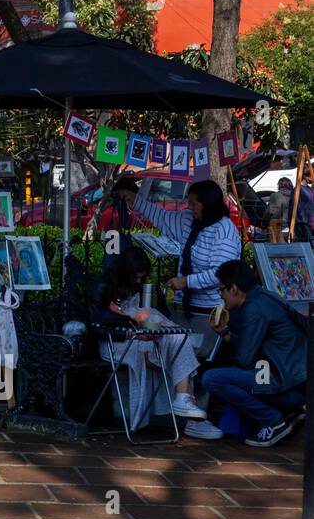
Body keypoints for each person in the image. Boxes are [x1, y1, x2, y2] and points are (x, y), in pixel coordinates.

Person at [190, 260, 308, 446]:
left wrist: (227, 338)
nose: (221, 296)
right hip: (294, 379)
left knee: (212, 379)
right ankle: (285, 413)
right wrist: (225, 333)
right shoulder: (266, 296)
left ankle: (273, 420)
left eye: (221, 290)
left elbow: (243, 359)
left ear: (234, 289)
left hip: (284, 382)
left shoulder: (254, 309)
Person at [91, 248, 205, 426]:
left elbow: (160, 314)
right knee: (162, 350)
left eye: (141, 277)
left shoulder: (143, 287)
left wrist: (151, 315)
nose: (138, 281)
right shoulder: (103, 287)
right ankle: (189, 411)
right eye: (135, 277)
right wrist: (131, 333)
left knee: (179, 338)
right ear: (124, 272)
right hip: (117, 340)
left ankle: (184, 397)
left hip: (144, 337)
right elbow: (96, 326)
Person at [113, 178, 242, 325]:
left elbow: (221, 273)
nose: (189, 207)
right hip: (188, 306)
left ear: (208, 205)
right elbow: (161, 217)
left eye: (194, 204)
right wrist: (133, 198)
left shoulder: (224, 230)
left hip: (212, 309)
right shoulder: (189, 220)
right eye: (189, 202)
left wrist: (186, 281)